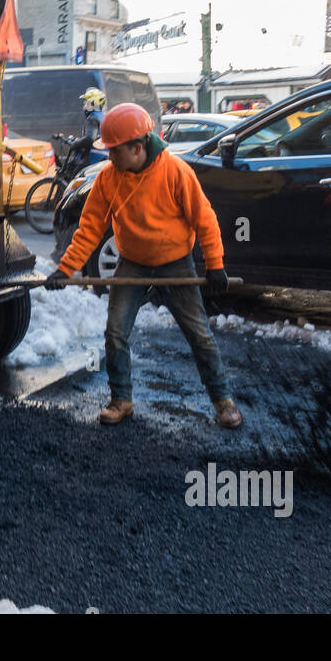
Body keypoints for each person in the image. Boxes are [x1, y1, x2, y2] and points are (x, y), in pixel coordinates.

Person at [46, 102, 243, 430]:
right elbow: (90, 228)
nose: (110, 158)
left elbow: (204, 219)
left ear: (138, 147)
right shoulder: (109, 178)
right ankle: (121, 399)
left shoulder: (175, 172)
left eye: (115, 151)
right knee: (116, 332)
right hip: (133, 264)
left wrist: (215, 265)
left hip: (176, 263)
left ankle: (223, 400)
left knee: (199, 334)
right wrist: (65, 270)